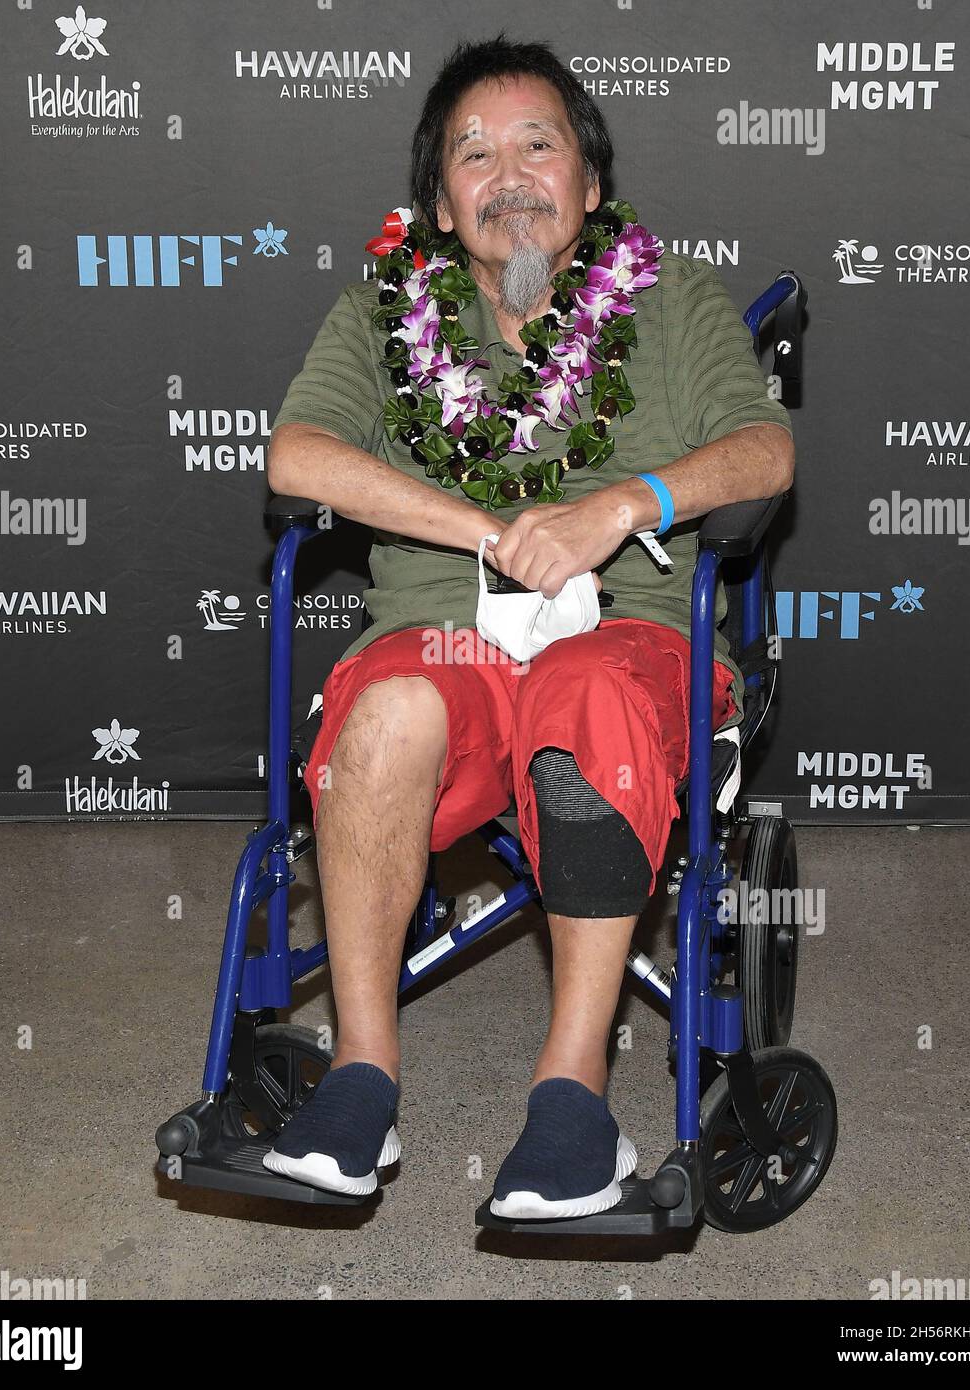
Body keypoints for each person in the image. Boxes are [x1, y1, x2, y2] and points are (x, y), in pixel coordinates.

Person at [262, 34, 794, 1219]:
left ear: (589, 186)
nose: (507, 174)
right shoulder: (380, 313)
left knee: (586, 695)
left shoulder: (673, 302)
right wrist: (481, 528)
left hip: (625, 644)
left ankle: (573, 1097)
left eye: (536, 144)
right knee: (389, 703)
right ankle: (360, 1076)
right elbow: (296, 455)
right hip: (446, 649)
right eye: (472, 153)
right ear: (441, 208)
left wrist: (616, 506)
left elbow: (765, 450)